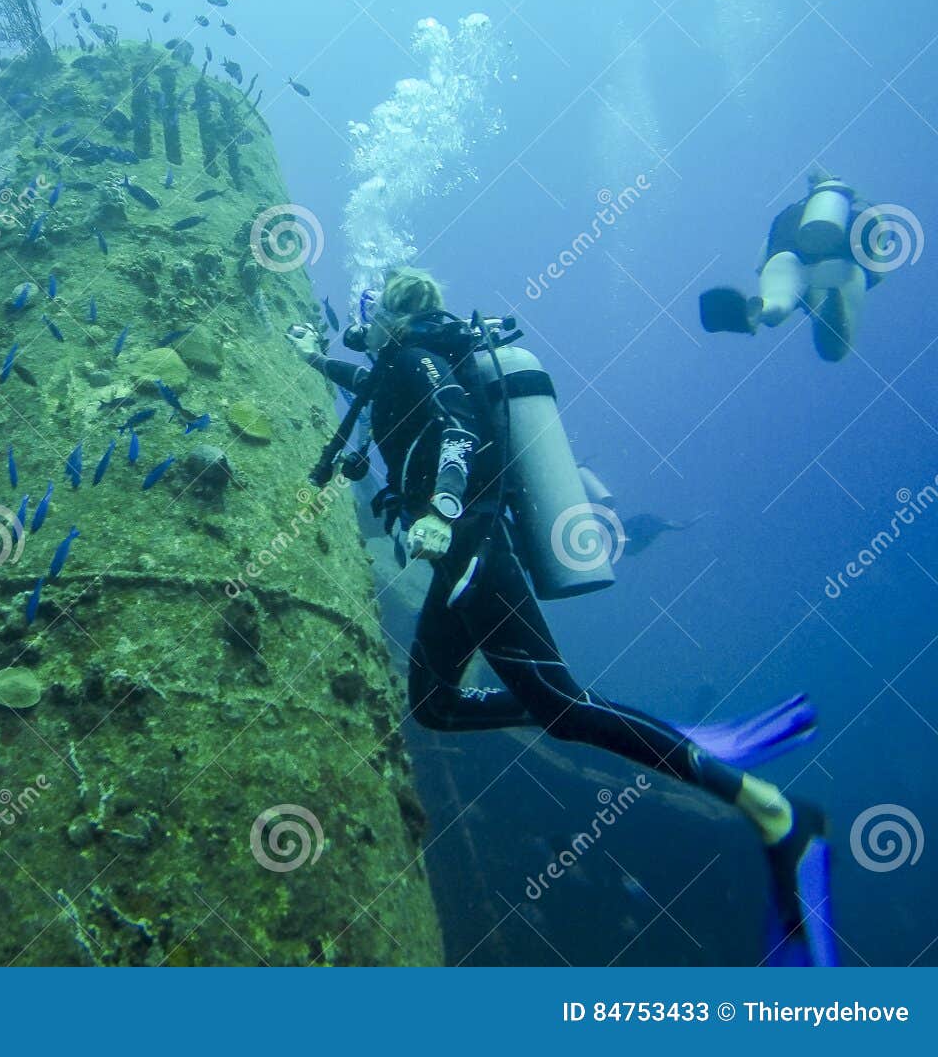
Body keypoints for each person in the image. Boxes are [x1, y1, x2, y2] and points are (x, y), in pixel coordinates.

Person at [289, 265, 836, 967]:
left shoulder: (413, 357)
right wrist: (315, 358)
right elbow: (389, 400)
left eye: (366, 314)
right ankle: (619, 719)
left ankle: (776, 812)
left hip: (474, 549)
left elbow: (456, 424)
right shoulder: (403, 362)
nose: (358, 328)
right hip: (460, 560)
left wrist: (444, 507)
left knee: (565, 709)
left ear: (386, 316)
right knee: (435, 704)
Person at [700, 171, 888, 361]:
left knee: (778, 301)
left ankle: (763, 309)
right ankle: (833, 294)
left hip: (789, 243)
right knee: (835, 350)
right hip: (849, 250)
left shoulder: (792, 211)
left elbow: (762, 262)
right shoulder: (863, 210)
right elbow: (877, 270)